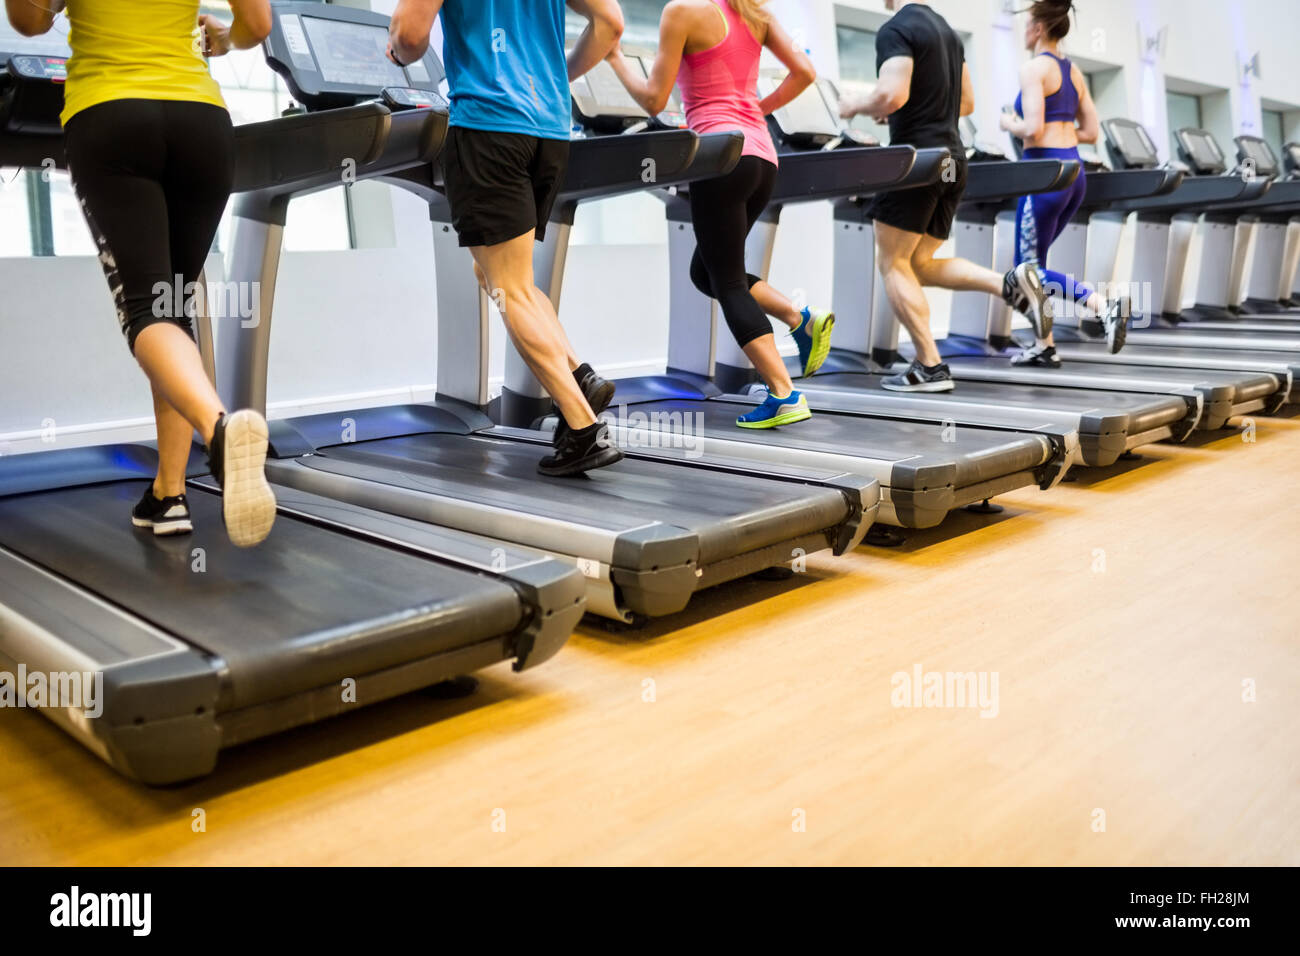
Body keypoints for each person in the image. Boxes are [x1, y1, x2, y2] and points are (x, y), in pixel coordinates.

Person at [5, 0, 278, 546]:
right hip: (201, 124)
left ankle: (220, 432)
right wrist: (222, 42)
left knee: (146, 311)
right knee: (173, 302)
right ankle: (169, 494)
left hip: (112, 115)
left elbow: (29, 19)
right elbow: (258, 25)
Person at [388, 0, 626, 474]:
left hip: (488, 123)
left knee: (509, 286)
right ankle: (580, 376)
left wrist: (396, 52)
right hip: (550, 128)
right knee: (497, 273)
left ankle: (582, 430)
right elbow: (611, 23)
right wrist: (554, 74)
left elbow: (411, 37)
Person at [606, 0, 834, 428]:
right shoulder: (754, 12)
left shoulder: (682, 11)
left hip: (720, 157)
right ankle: (798, 317)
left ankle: (784, 393)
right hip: (763, 158)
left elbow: (655, 99)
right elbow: (805, 72)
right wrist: (756, 112)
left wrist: (615, 58)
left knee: (726, 280)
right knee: (706, 273)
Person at [839, 0, 1051, 393]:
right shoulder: (948, 33)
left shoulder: (896, 28)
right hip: (953, 160)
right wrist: (913, 105)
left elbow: (891, 95)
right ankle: (1008, 284)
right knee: (919, 262)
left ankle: (930, 366)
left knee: (893, 263)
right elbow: (966, 103)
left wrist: (854, 104)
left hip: (917, 161)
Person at [999, 0, 1128, 367]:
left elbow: (1033, 128)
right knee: (1032, 268)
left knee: (1027, 270)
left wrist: (1009, 123)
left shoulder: (1033, 68)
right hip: (1074, 174)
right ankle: (1045, 345)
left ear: (1039, 28)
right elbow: (1089, 131)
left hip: (1043, 175)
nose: (1024, 31)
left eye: (1027, 24)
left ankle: (1103, 306)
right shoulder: (1074, 73)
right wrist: (1061, 128)